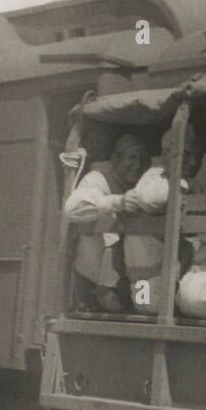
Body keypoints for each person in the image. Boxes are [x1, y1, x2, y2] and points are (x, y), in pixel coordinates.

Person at [65, 132, 151, 313]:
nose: (137, 165)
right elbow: (73, 209)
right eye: (132, 157)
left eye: (143, 160)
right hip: (91, 288)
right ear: (115, 159)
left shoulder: (144, 190)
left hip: (125, 288)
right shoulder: (97, 179)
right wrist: (118, 202)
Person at [124, 122, 203, 314]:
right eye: (187, 155)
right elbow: (150, 199)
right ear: (168, 153)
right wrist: (183, 185)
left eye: (196, 156)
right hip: (151, 295)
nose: (193, 163)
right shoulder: (154, 178)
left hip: (153, 290)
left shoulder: (171, 181)